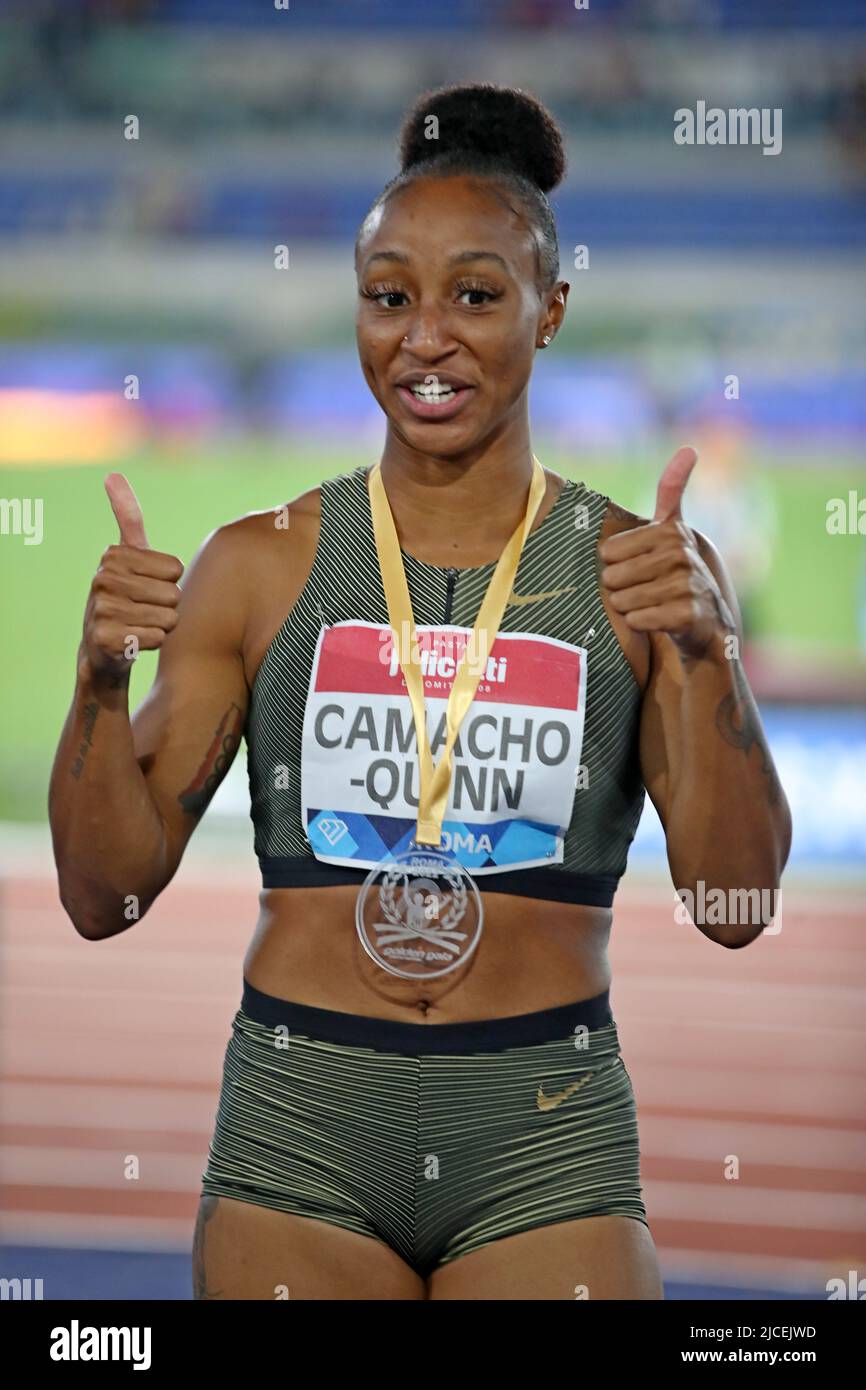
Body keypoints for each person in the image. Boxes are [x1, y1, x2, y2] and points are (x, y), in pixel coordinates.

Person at [48, 83, 791, 1301]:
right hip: (300, 1140)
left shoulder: (637, 577)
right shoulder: (260, 565)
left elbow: (736, 902)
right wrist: (93, 685)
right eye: (388, 295)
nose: (425, 336)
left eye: (476, 296)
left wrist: (711, 660)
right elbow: (101, 895)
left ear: (549, 312)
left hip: (543, 1139)